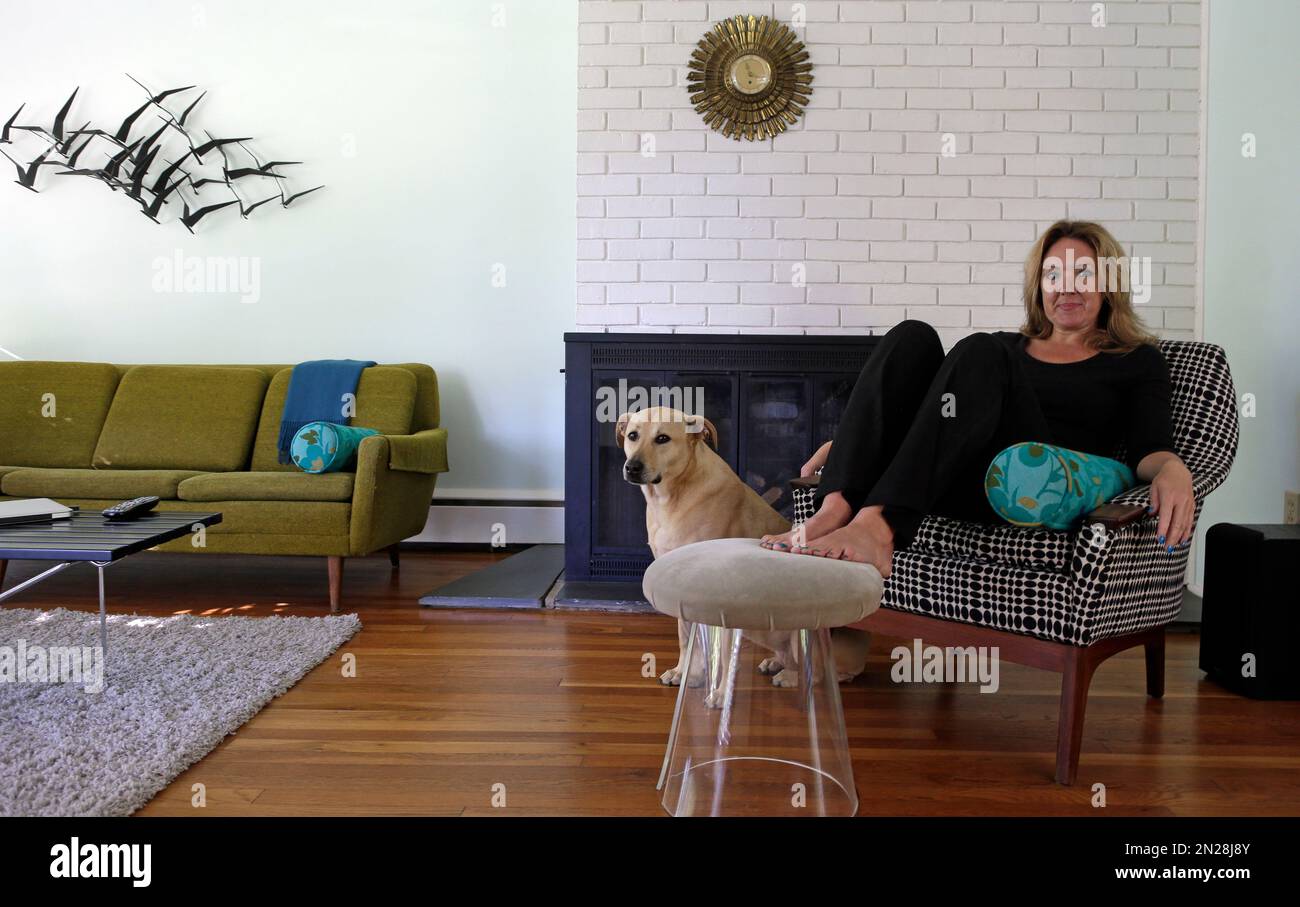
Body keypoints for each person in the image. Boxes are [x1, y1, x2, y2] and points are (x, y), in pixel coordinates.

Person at [761, 220, 1195, 577]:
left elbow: (1147, 451)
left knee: (981, 349)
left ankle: (878, 526)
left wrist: (1173, 468)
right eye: (1053, 275)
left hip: (1024, 483)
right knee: (912, 337)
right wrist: (853, 448)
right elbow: (938, 416)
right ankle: (834, 510)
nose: (1068, 288)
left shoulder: (1135, 360)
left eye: (1085, 273)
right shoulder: (1010, 347)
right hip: (951, 475)